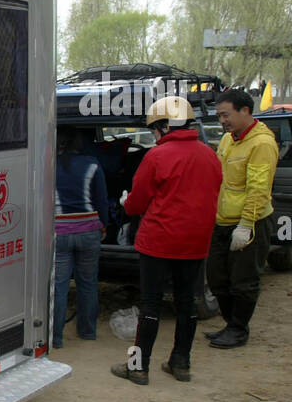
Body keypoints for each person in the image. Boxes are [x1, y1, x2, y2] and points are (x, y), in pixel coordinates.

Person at [111, 96, 222, 384]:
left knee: (151, 305)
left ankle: (138, 367)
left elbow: (137, 203)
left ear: (163, 126)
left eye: (154, 130)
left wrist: (126, 202)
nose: (154, 135)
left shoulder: (157, 156)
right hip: (196, 243)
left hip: (159, 242)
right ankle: (180, 363)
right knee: (187, 303)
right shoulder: (210, 155)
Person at [204, 88, 279, 349]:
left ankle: (238, 329)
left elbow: (258, 189)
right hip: (222, 221)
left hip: (251, 222)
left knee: (243, 280)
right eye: (219, 116)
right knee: (217, 277)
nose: (222, 121)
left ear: (245, 111)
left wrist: (246, 225)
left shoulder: (262, 144)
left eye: (226, 115)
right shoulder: (228, 140)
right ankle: (230, 323)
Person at [52, 127, 109, 348]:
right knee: (88, 283)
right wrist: (102, 227)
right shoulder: (92, 164)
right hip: (89, 232)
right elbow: (102, 201)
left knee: (60, 286)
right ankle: (87, 332)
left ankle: (56, 338)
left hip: (60, 233)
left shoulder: (49, 165)